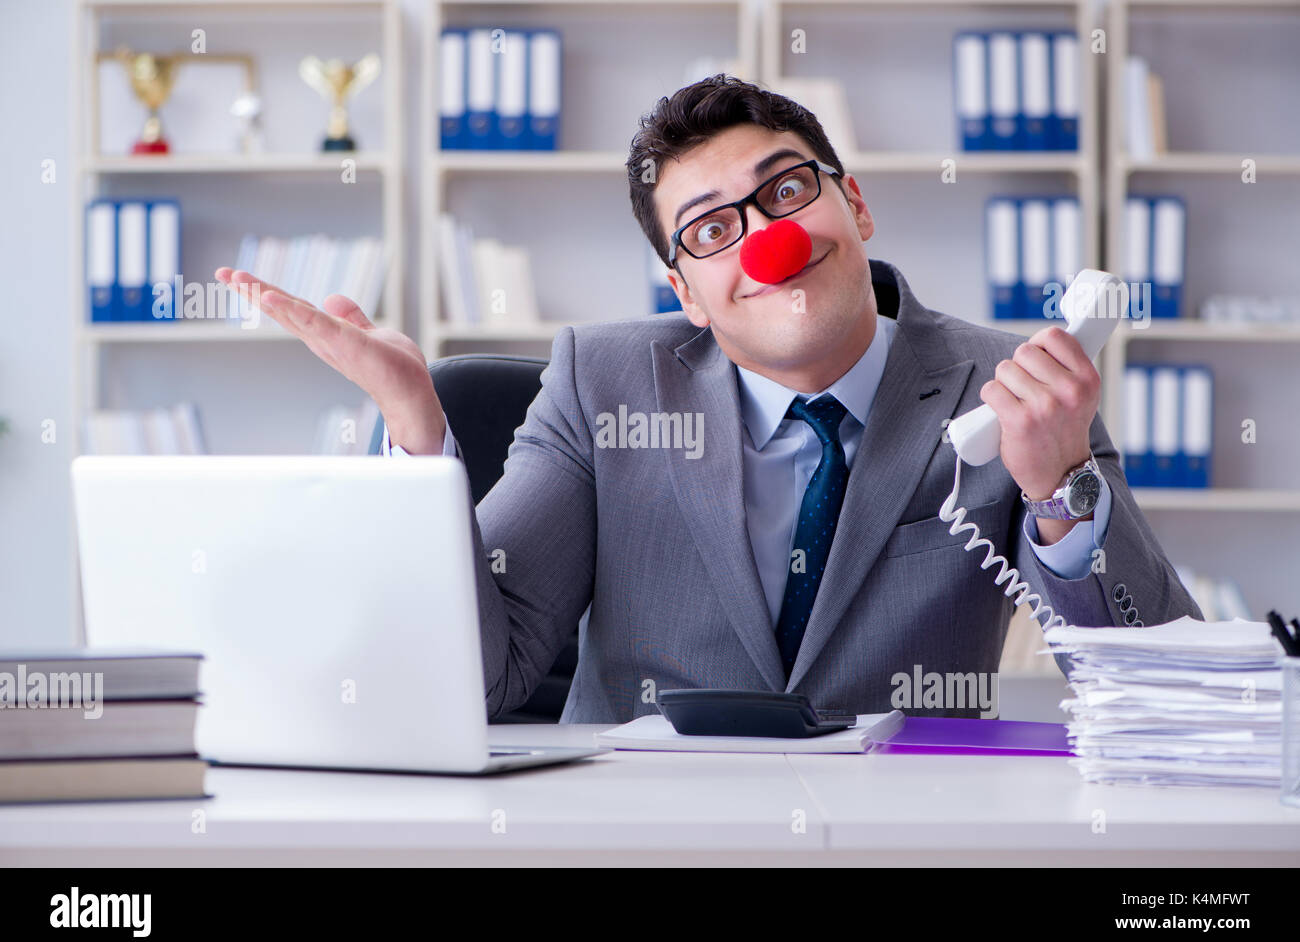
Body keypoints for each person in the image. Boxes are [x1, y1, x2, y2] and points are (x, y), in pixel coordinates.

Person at [217, 75, 1202, 722]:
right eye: (708, 230)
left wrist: (1059, 490)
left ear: (852, 203)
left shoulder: (1020, 386)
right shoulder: (601, 384)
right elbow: (482, 675)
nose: (762, 244)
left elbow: (1170, 704)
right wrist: (415, 427)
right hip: (635, 841)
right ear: (682, 290)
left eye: (783, 194)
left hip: (897, 840)